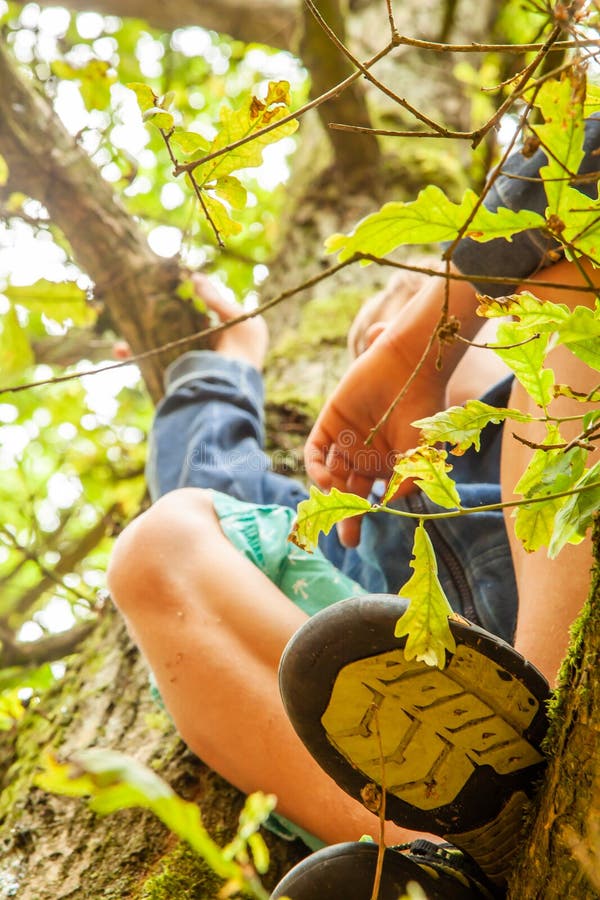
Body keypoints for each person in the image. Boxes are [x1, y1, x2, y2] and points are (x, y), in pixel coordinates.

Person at [107, 125, 600, 898]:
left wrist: (431, 329)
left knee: (576, 295)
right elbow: (202, 485)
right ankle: (453, 852)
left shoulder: (538, 376)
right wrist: (232, 359)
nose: (375, 332)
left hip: (574, 621)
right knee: (158, 544)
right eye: (362, 338)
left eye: (405, 301)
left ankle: (549, 736)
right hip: (410, 757)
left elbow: (581, 179)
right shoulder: (342, 529)